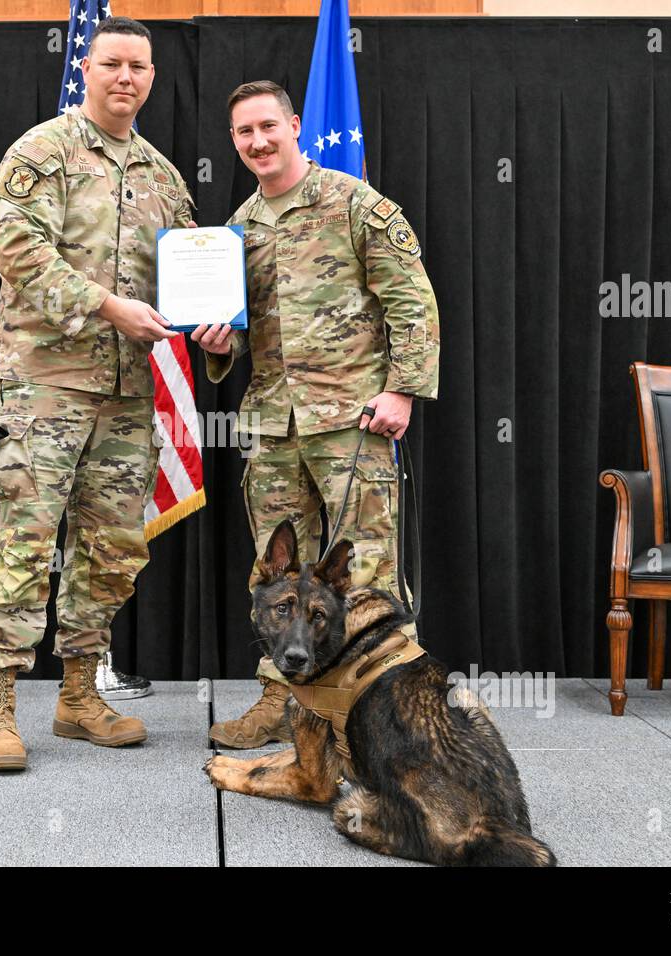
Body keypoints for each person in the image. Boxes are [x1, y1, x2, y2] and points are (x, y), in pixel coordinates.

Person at [0, 16, 195, 772]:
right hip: (46, 384)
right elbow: (20, 253)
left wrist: (213, 327)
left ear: (152, 77)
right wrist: (109, 307)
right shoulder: (41, 152)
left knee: (110, 550)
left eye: (138, 65)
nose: (125, 77)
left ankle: (76, 696)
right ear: (86, 70)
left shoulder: (165, 177)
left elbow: (188, 273)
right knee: (26, 544)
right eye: (112, 64)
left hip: (129, 394)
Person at [193, 80, 440, 749]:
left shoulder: (355, 203)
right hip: (274, 425)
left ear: (294, 124)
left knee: (367, 575)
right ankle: (283, 705)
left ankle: (387, 715)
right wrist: (222, 342)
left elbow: (412, 301)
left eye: (268, 126)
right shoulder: (239, 227)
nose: (258, 141)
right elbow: (245, 328)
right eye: (244, 132)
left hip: (352, 420)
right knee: (274, 578)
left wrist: (402, 390)